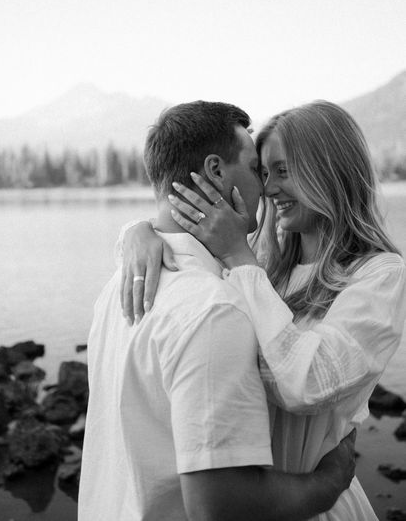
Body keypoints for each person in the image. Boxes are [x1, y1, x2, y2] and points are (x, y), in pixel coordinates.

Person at [120, 100, 406, 521]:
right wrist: (139, 232)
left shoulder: (378, 273)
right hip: (250, 497)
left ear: (329, 170)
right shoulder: (264, 262)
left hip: (312, 502)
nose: (269, 188)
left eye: (284, 171)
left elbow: (305, 384)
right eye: (264, 172)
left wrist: (239, 256)